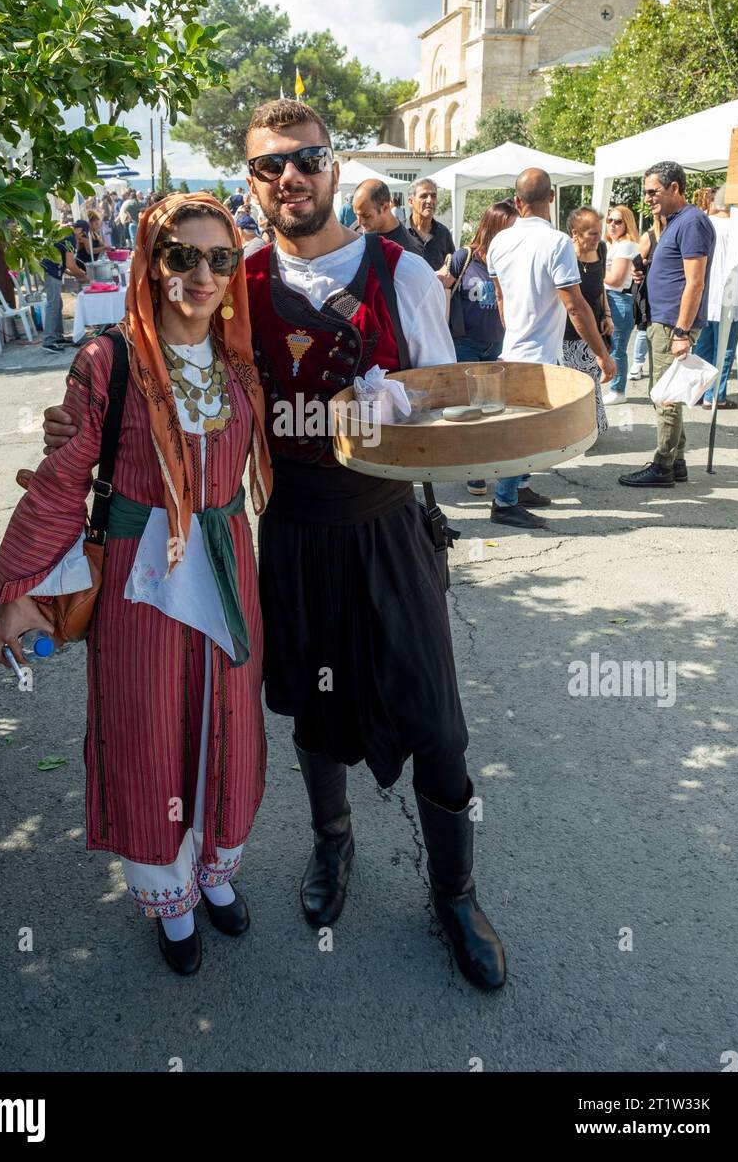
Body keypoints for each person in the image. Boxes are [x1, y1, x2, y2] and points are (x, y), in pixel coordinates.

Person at [42, 98, 506, 993]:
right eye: (269, 166)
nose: (289, 177)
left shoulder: (400, 271)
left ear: (333, 168)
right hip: (288, 531)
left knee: (438, 724)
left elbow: (452, 395)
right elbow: (161, 367)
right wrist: (80, 418)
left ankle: (456, 892)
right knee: (309, 710)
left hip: (387, 525)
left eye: (307, 158)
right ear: (251, 184)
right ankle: (333, 849)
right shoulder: (234, 280)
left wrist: (403, 401)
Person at [0, 193, 272, 977]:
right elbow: (61, 478)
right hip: (139, 579)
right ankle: (169, 901)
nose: (203, 274)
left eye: (221, 258)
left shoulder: (241, 361)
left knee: (230, 724)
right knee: (148, 734)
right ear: (150, 261)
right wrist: (18, 588)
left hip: (226, 566)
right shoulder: (106, 360)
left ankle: (216, 873)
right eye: (183, 255)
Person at [487, 169, 616, 529]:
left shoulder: (499, 242)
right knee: (528, 432)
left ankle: (521, 485)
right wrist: (602, 354)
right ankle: (504, 500)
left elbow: (500, 298)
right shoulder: (557, 242)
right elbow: (574, 305)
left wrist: (516, 329)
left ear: (516, 202)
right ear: (552, 198)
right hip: (539, 356)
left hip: (512, 348)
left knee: (526, 426)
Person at [619, 161, 714, 488]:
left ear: (675, 188)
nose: (647, 198)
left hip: (673, 324)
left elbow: (695, 282)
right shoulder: (676, 222)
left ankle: (662, 465)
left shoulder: (692, 222)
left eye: (653, 191)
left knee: (664, 395)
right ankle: (677, 463)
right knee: (666, 391)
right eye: (646, 192)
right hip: (664, 321)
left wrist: (681, 331)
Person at [438, 200, 515, 497]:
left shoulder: (510, 259)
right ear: (494, 227)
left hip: (498, 343)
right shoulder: (465, 257)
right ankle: (475, 470)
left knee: (494, 410)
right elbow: (442, 287)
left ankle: (490, 464)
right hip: (465, 343)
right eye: (510, 228)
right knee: (472, 411)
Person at [694, 188, 738, 410]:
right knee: (724, 349)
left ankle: (700, 391)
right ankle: (715, 395)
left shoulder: (703, 223)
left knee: (703, 347)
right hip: (730, 294)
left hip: (705, 294)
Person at [563, 207, 612, 436]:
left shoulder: (601, 249)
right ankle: (574, 432)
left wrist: (607, 314)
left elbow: (600, 285)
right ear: (575, 233)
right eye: (592, 233)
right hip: (569, 329)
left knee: (591, 380)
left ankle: (590, 430)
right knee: (574, 384)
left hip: (594, 325)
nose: (598, 238)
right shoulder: (565, 255)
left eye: (599, 232)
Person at [602, 205, 641, 405]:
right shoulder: (612, 244)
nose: (612, 225)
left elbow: (616, 280)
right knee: (609, 347)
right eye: (609, 220)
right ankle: (614, 388)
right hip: (611, 299)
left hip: (618, 299)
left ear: (627, 223)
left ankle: (618, 390)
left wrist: (591, 270)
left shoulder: (626, 245)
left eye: (618, 221)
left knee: (617, 349)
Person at [40, 225, 87, 352]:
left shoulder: (66, 236)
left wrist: (79, 275)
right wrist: (83, 276)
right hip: (51, 272)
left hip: (53, 270)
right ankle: (49, 340)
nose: (81, 239)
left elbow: (66, 265)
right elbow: (71, 264)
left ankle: (57, 336)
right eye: (82, 235)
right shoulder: (70, 238)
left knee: (58, 304)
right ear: (79, 230)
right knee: (53, 305)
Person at [351, 178, 421, 254]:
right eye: (356, 215)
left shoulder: (408, 250)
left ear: (385, 208)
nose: (359, 222)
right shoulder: (355, 229)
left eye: (366, 216)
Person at [628, 218, 659, 380]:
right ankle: (638, 363)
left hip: (667, 293)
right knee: (643, 328)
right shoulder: (650, 236)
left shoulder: (675, 234)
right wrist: (640, 269)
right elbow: (637, 262)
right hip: (648, 291)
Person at [406, 178, 455, 270]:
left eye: (433, 196)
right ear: (411, 202)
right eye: (423, 196)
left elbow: (452, 268)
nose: (429, 201)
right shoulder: (400, 232)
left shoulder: (443, 233)